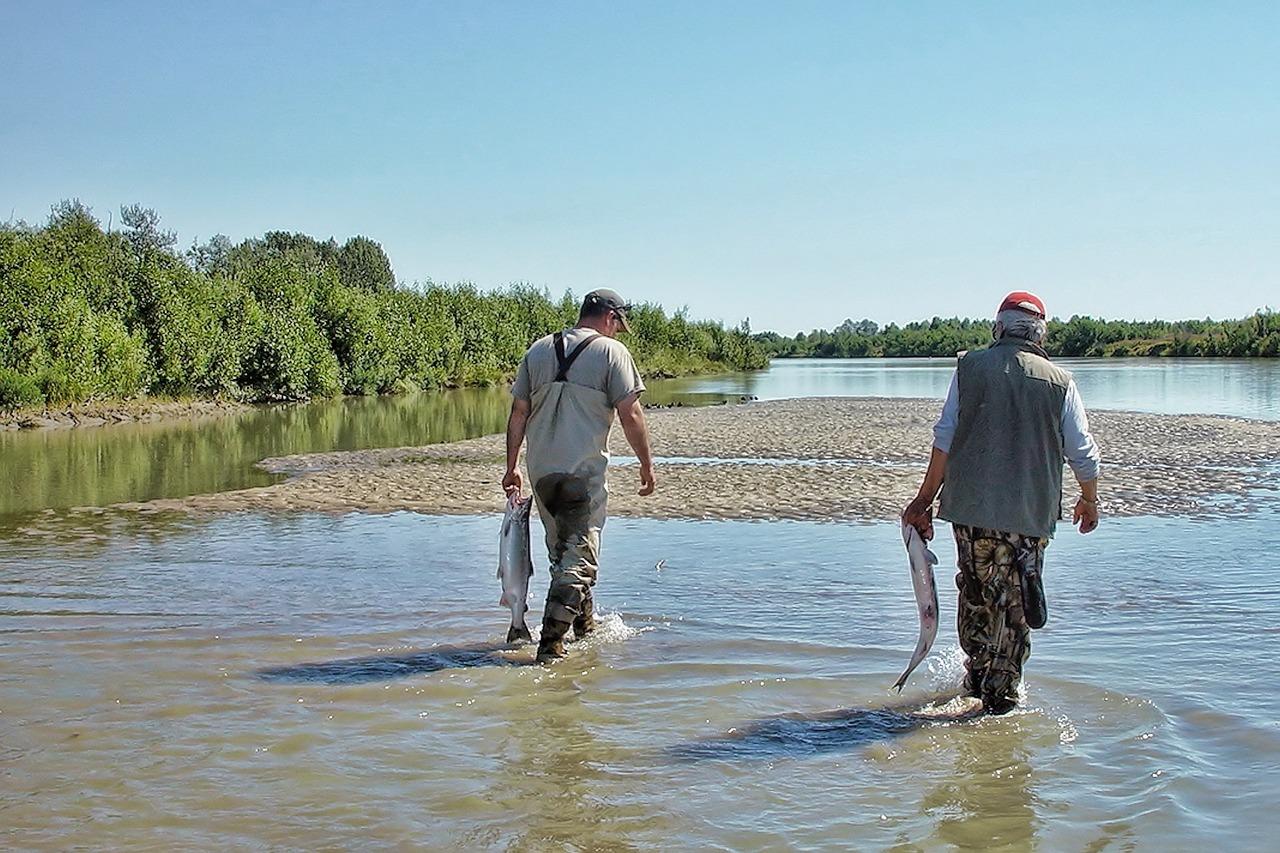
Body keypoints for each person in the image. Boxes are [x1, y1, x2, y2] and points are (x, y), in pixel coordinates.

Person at [902, 291, 1101, 714]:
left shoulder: (970, 367)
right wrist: (1089, 498)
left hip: (971, 513)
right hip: (1029, 518)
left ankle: (976, 682)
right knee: (1015, 606)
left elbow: (945, 438)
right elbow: (1082, 452)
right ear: (1040, 333)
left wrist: (923, 500)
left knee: (976, 593)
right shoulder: (1060, 382)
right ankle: (1002, 702)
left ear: (998, 328)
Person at [503, 289, 656, 663]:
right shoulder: (611, 352)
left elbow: (518, 413)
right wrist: (646, 465)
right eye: (619, 325)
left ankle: (585, 628)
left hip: (542, 476)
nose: (619, 332)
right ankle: (550, 648)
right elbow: (631, 414)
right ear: (610, 318)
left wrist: (511, 467)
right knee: (580, 560)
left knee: (563, 554)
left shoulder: (537, 351)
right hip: (580, 476)